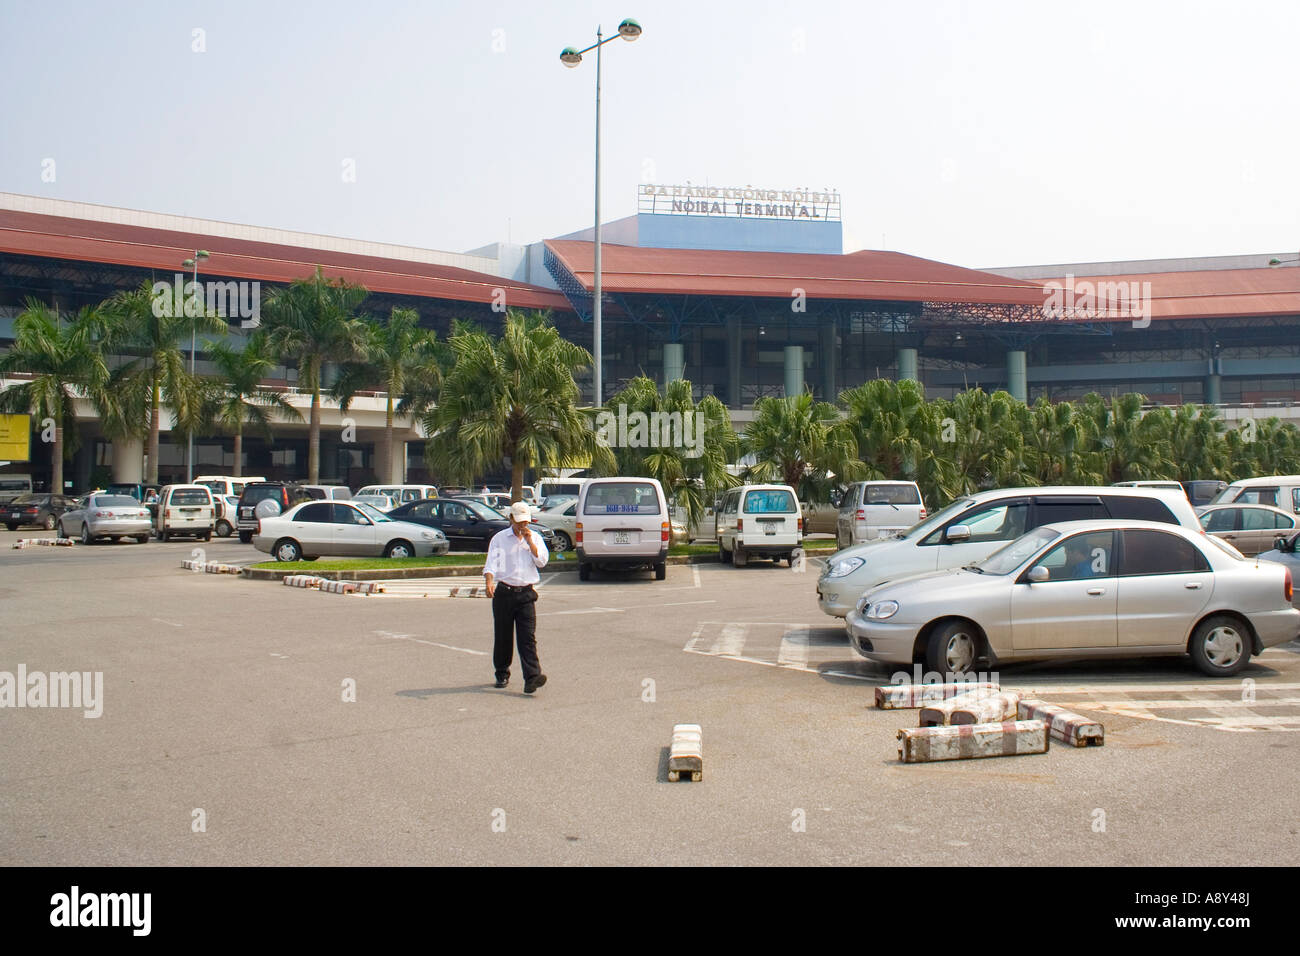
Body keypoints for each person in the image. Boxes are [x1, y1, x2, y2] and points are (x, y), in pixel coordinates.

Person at [483, 502, 549, 693]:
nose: (522, 526)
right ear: (511, 519)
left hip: (526, 594)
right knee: (503, 636)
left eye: (526, 522)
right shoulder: (500, 539)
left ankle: (532, 677)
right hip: (504, 593)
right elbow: (491, 564)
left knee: (527, 638)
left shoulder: (535, 537)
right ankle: (502, 673)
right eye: (519, 522)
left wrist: (530, 544)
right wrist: (489, 581)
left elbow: (542, 562)